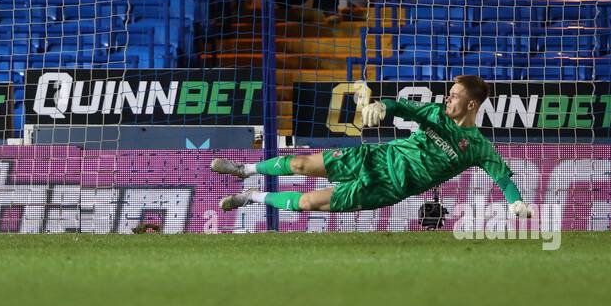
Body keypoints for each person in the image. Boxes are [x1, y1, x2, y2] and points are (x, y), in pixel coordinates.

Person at [214, 75, 533, 217]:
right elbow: (404, 108)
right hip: (375, 157)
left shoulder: (476, 147)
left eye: (455, 96)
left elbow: (501, 175)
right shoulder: (436, 114)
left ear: (472, 104)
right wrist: (382, 108)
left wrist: (516, 203)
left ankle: (251, 197)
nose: (448, 98)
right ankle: (245, 170)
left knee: (309, 202)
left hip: (386, 187)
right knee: (300, 164)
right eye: (449, 93)